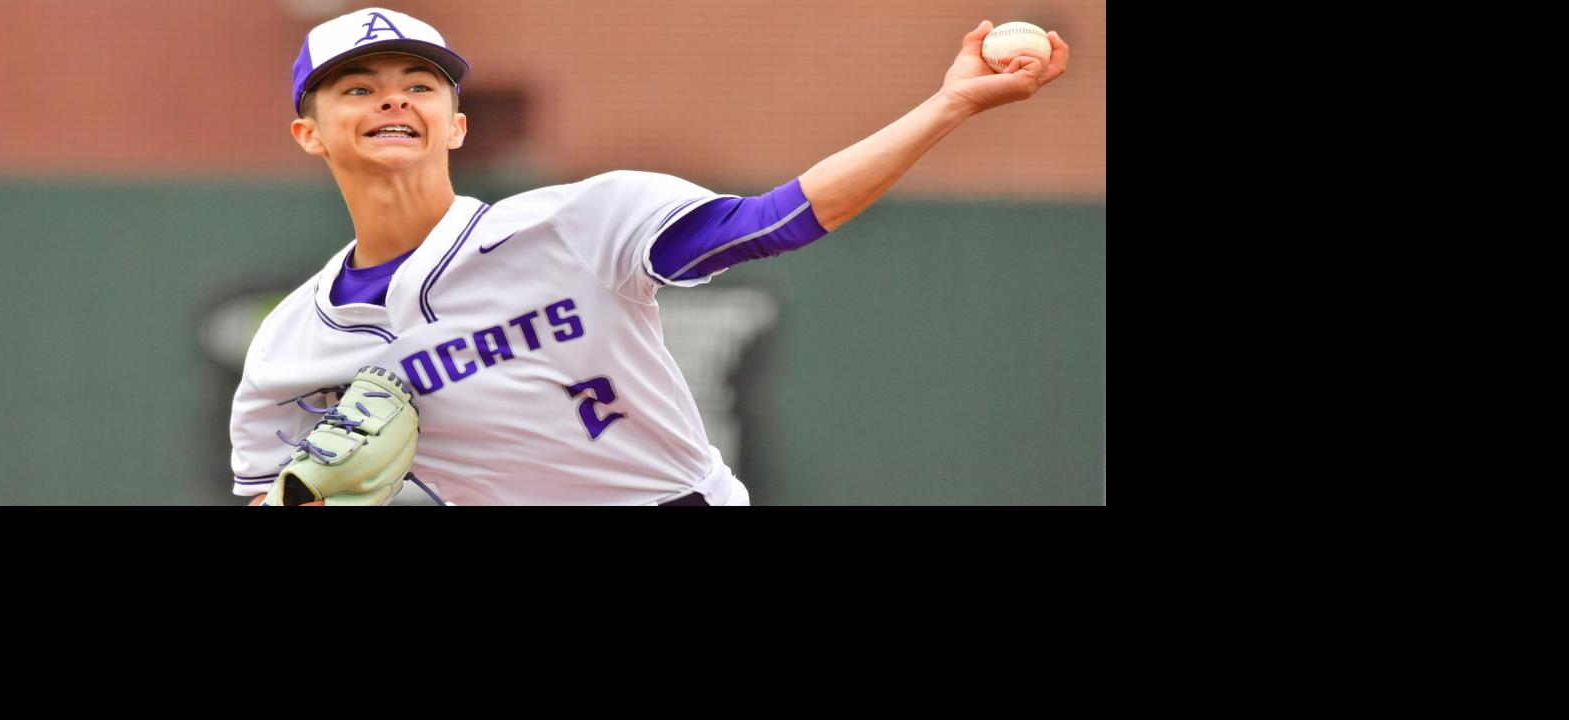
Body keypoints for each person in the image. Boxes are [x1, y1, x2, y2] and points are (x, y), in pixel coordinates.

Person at [232, 7, 1067, 505]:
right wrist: (299, 496)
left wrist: (950, 103)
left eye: (419, 83)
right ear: (308, 132)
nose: (391, 96)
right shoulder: (292, 347)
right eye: (357, 85)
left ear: (455, 124)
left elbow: (779, 220)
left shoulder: (582, 221)